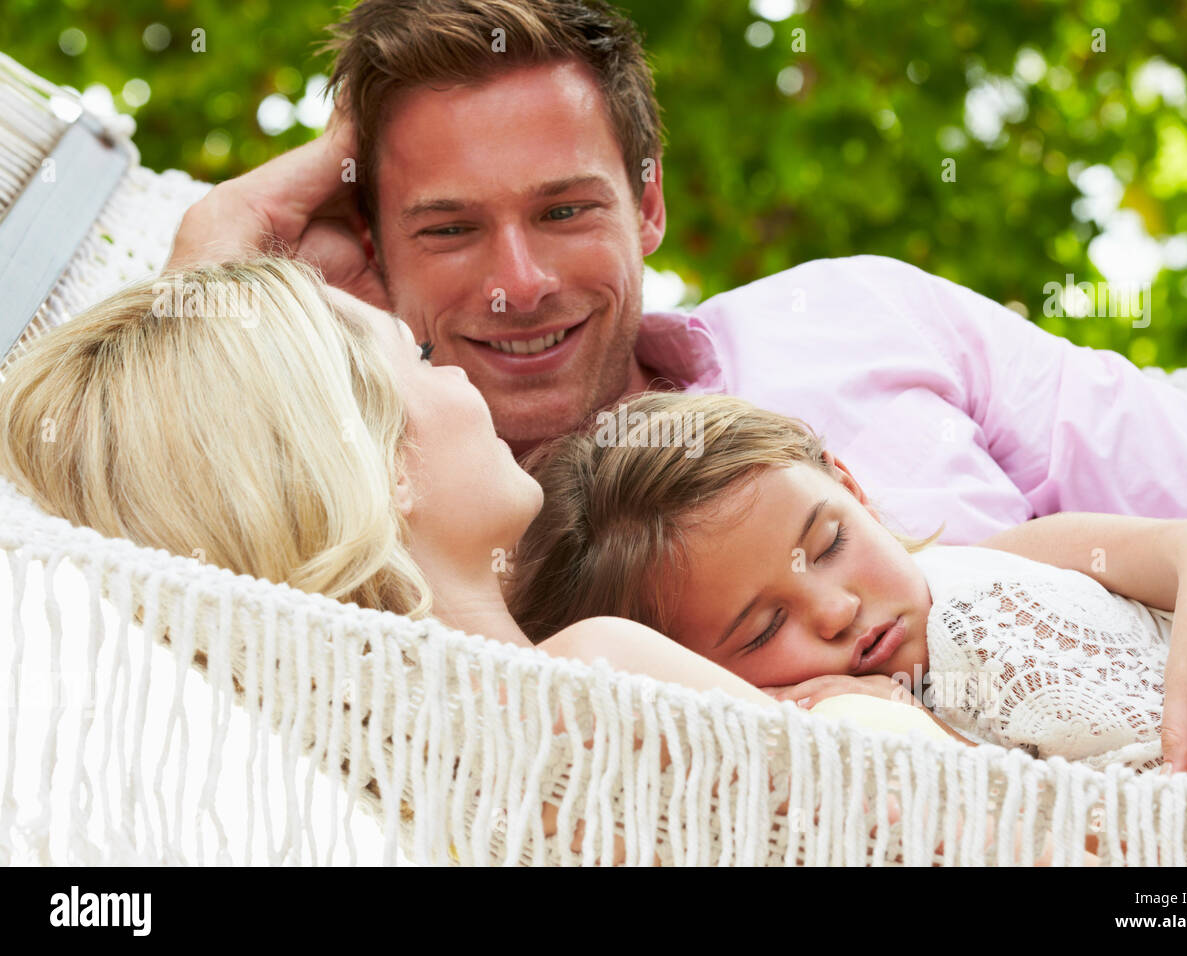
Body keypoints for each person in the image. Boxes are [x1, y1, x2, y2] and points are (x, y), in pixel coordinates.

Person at [163, 0, 1187, 781]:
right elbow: (174, 593)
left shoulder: (857, 314)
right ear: (373, 249)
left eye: (565, 209)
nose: (520, 283)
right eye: (450, 229)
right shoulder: (384, 545)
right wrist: (213, 264)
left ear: (649, 202)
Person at [0, 258, 1078, 863]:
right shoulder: (594, 673)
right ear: (378, 462)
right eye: (419, 359)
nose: (461, 379)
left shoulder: (392, 773)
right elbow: (984, 834)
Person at [505, 392, 1187, 777]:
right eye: (762, 629)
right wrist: (915, 737)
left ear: (849, 487)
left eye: (829, 543)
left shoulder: (1018, 554)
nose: (836, 609)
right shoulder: (854, 747)